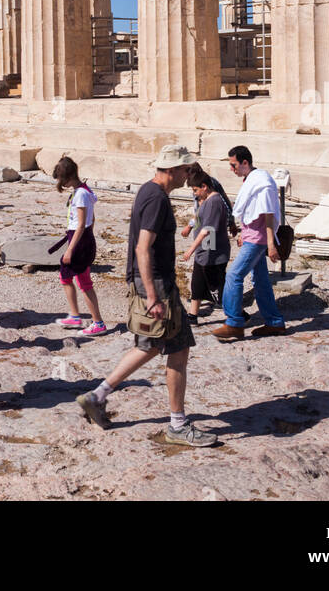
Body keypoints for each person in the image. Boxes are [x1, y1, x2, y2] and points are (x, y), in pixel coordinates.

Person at [76, 145, 217, 446]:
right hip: (155, 284)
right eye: (186, 170)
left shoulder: (147, 191)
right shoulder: (157, 199)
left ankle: (97, 395)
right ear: (172, 170)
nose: (188, 176)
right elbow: (142, 247)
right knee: (178, 350)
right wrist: (153, 296)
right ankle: (177, 424)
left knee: (151, 345)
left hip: (150, 282)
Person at [213, 146, 287, 342]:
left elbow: (269, 214)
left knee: (234, 275)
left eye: (234, 165)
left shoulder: (262, 182)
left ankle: (234, 322)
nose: (232, 169)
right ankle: (274, 322)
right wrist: (243, 233)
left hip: (258, 240)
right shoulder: (251, 180)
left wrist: (271, 244)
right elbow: (252, 212)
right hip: (252, 236)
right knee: (260, 281)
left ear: (245, 163)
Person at [52, 156, 106, 335]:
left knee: (84, 283)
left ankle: (98, 323)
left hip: (80, 241)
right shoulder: (82, 190)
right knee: (65, 276)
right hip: (79, 238)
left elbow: (82, 224)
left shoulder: (82, 194)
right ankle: (75, 315)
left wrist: (70, 249)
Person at [181, 166, 230, 322]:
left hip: (212, 249)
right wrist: (190, 226)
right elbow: (199, 217)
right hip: (205, 249)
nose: (194, 194)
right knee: (197, 282)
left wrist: (190, 250)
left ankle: (238, 314)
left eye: (195, 190)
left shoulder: (214, 201)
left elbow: (207, 230)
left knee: (216, 285)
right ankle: (192, 315)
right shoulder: (206, 199)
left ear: (204, 187)